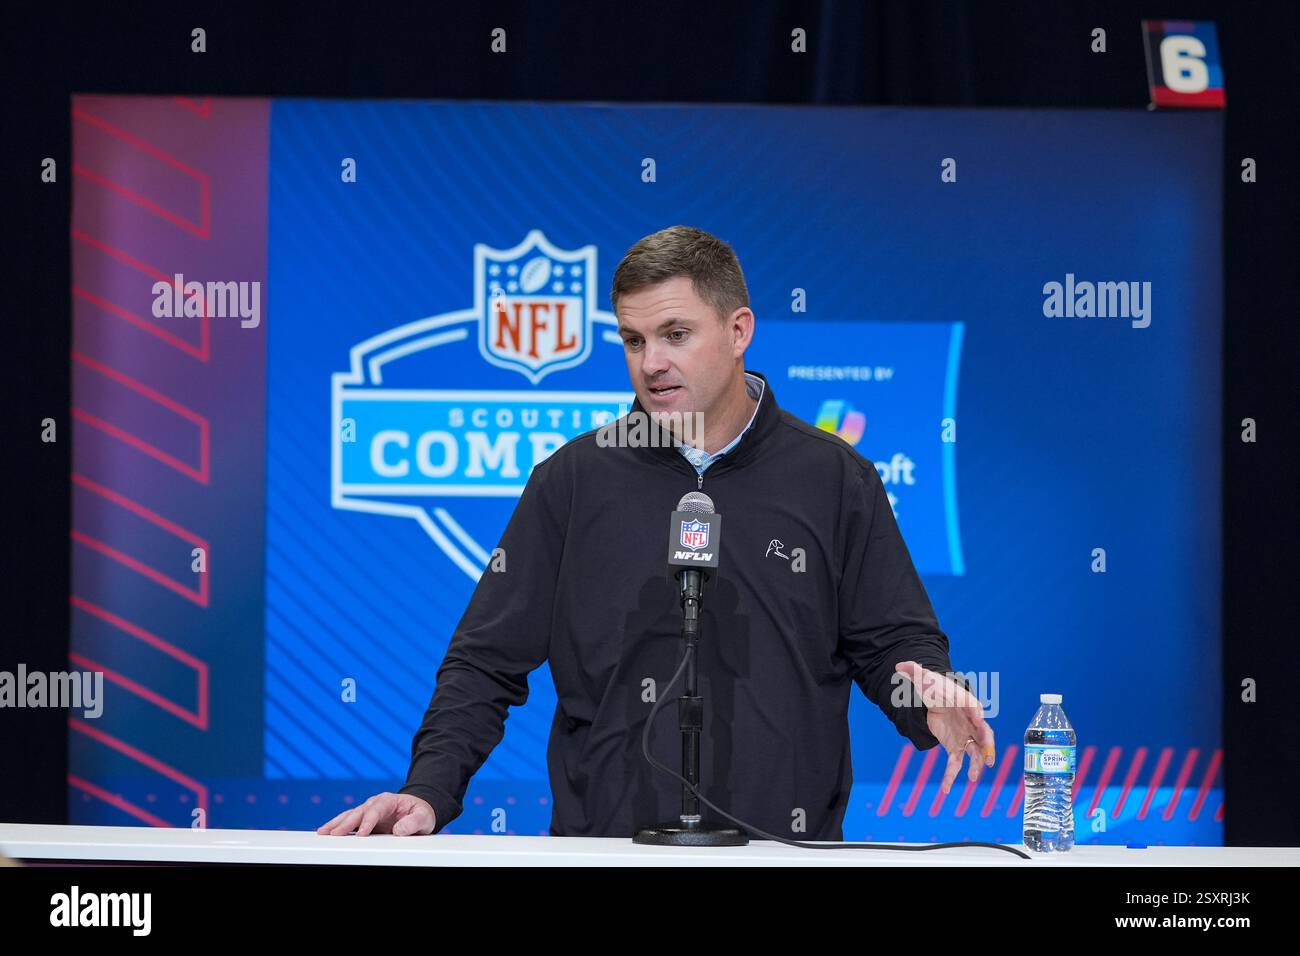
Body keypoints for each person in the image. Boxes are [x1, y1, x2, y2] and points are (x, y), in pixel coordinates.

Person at [318, 225, 995, 839]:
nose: (651, 364)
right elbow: (484, 661)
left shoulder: (834, 478)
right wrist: (431, 789)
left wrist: (924, 697)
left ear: (738, 331)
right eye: (634, 340)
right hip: (607, 855)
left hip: (785, 855)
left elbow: (892, 644)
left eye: (676, 334)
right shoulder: (575, 479)